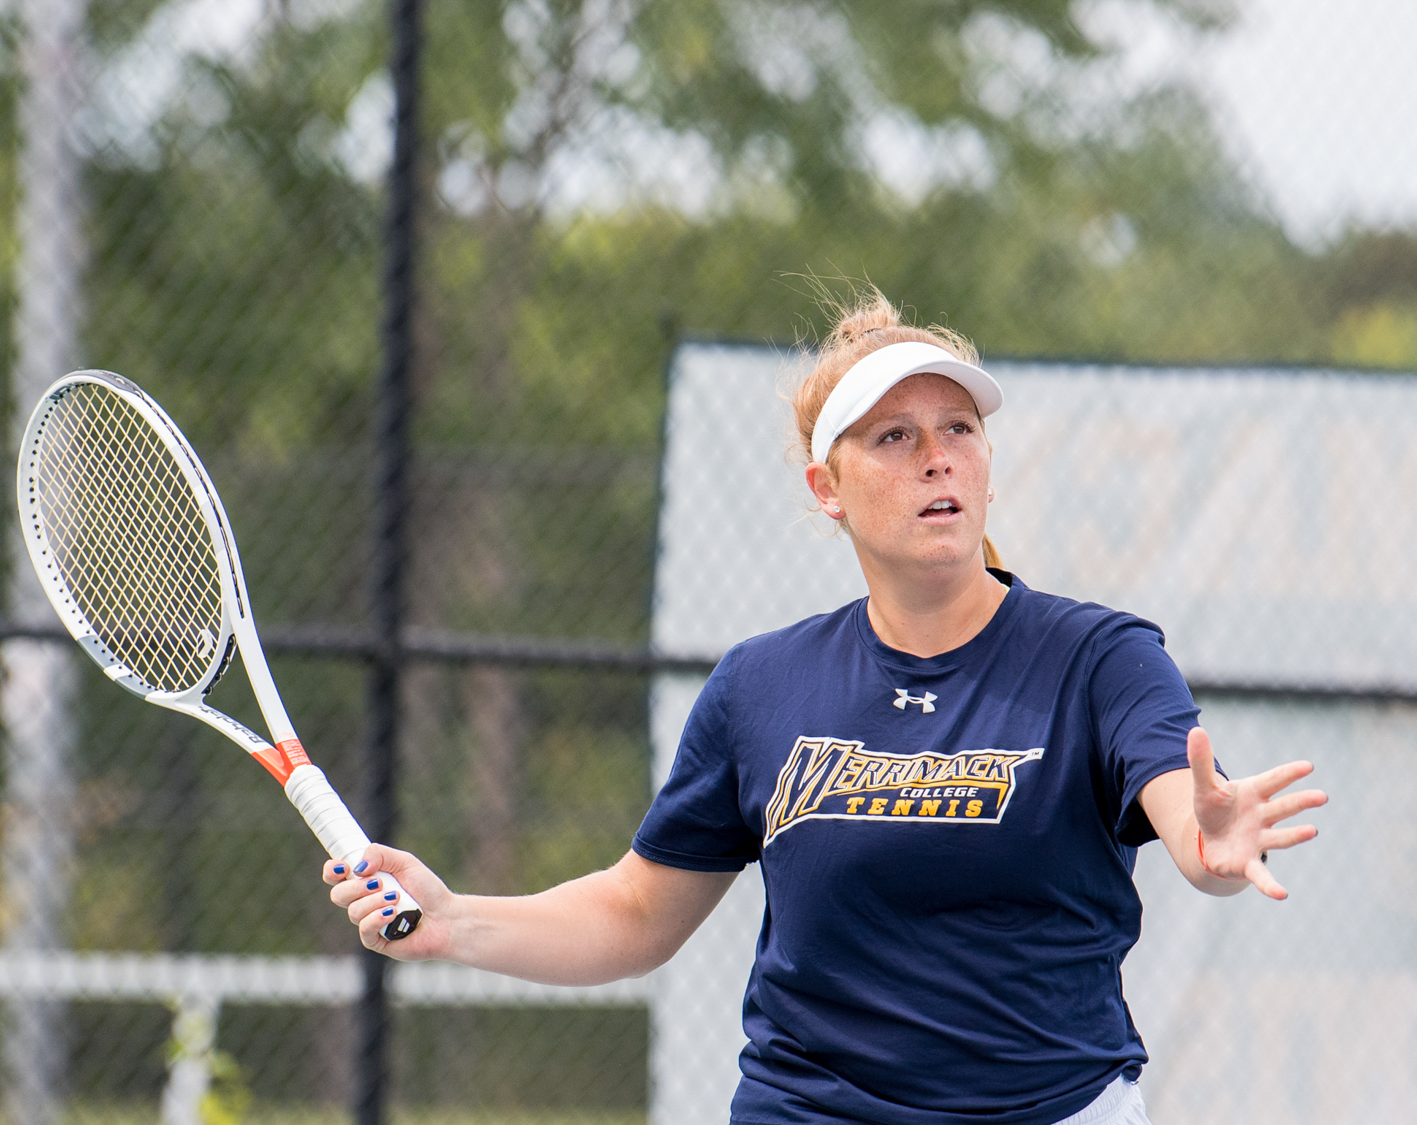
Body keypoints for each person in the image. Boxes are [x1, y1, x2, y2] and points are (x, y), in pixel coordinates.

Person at [324, 291, 1327, 1125]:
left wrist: (1210, 843)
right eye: (892, 436)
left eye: (957, 431)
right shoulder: (760, 687)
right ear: (826, 487)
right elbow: (637, 914)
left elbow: (1186, 819)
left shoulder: (1099, 658)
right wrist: (454, 921)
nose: (935, 457)